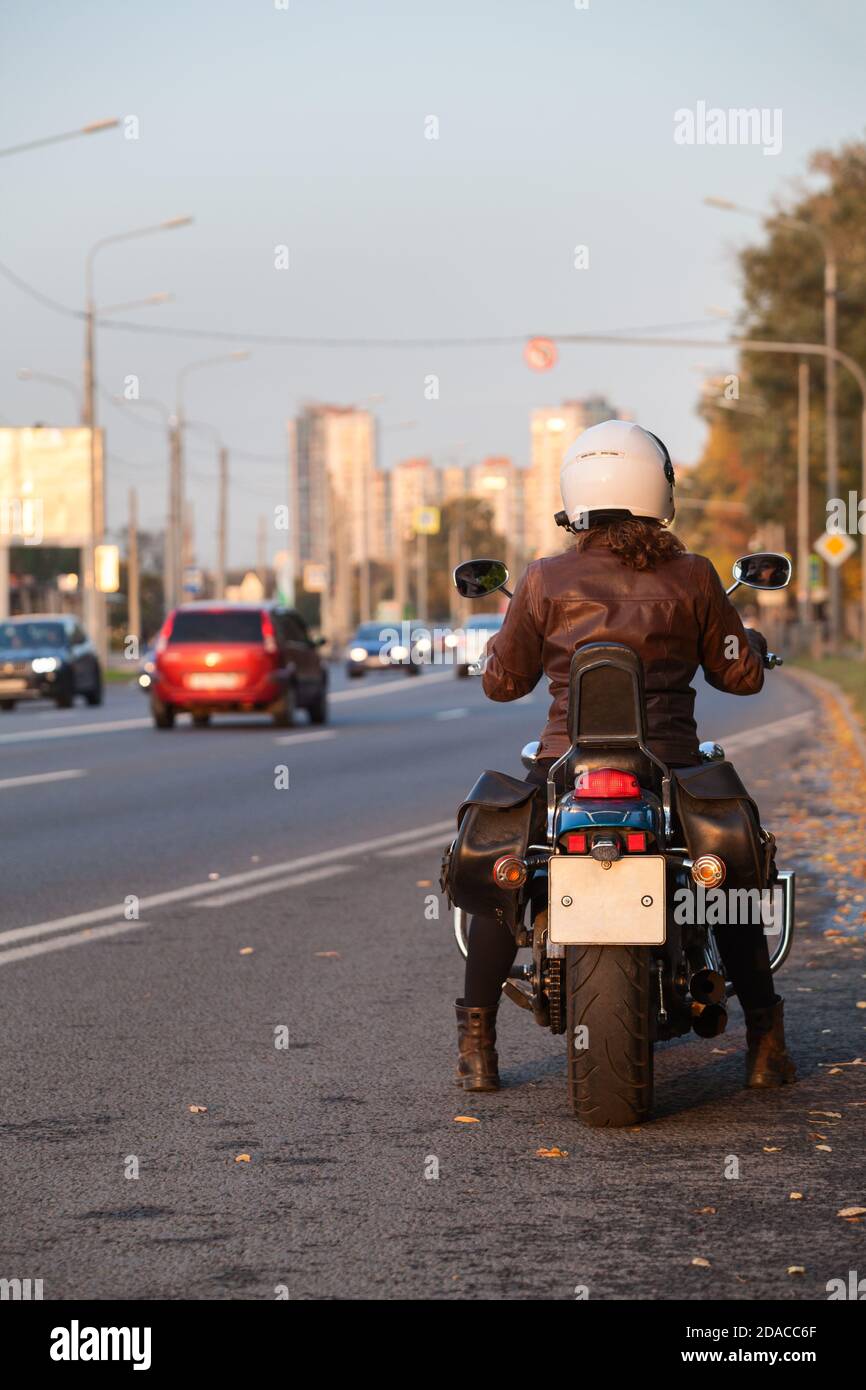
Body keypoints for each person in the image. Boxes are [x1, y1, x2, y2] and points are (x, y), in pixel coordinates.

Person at [455, 419, 796, 1095]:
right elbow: (742, 677)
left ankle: (476, 1045)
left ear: (576, 496)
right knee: (729, 874)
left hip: (564, 767)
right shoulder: (695, 577)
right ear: (658, 490)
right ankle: (765, 1042)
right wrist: (748, 643)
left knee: (504, 871)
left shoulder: (544, 579)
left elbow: (502, 684)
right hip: (670, 766)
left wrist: (505, 639)